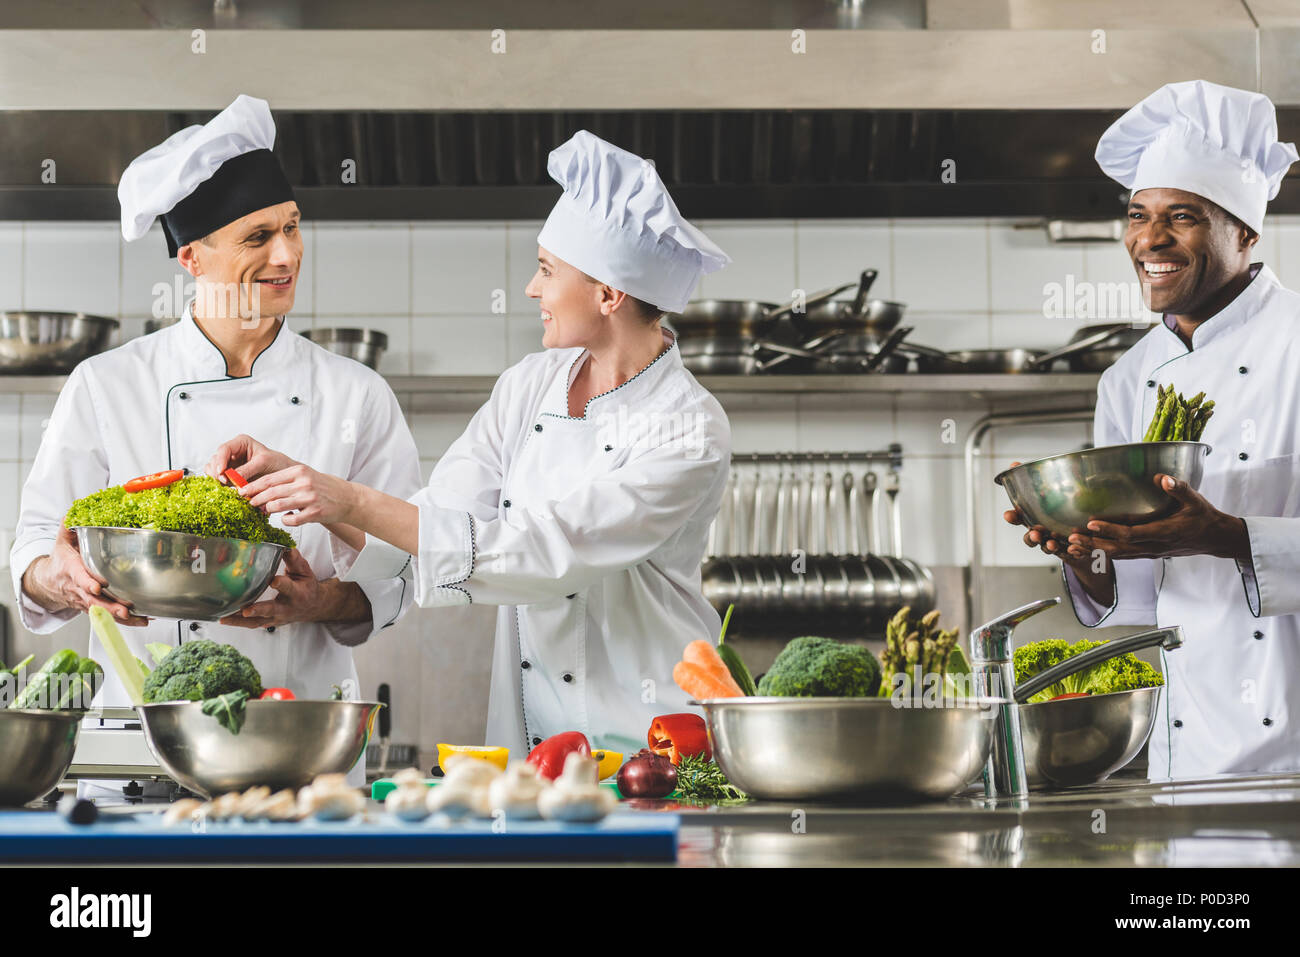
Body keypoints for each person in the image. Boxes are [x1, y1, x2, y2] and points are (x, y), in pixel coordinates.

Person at [209, 130, 732, 757]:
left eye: (546, 270)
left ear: (608, 294)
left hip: (658, 740)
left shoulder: (687, 427)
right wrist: (303, 484)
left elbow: (545, 555)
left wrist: (343, 498)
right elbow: (440, 522)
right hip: (535, 744)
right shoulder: (529, 386)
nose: (532, 290)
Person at [11, 96, 422, 786]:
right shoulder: (106, 384)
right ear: (192, 257)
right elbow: (31, 552)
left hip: (295, 752)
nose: (287, 254)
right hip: (138, 755)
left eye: (292, 227)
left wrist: (319, 599)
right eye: (258, 237)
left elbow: (402, 574)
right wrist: (68, 577)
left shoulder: (356, 395)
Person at [1004, 80, 1300, 780]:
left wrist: (1226, 536)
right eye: (1138, 214)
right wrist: (1087, 555)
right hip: (1186, 763)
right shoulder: (1128, 379)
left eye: (1183, 216)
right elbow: (1139, 596)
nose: (1150, 239)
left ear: (1245, 231)